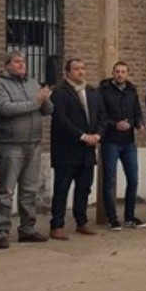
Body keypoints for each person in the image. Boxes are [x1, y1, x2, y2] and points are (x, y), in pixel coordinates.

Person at [0, 51, 53, 248]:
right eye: (17, 61)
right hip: (11, 144)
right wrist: (36, 102)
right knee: (6, 190)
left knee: (29, 190)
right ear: (7, 65)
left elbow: (48, 111)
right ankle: (2, 229)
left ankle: (27, 228)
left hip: (33, 143)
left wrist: (46, 99)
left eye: (23, 61)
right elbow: (6, 109)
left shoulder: (33, 83)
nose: (21, 64)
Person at [50, 58, 105, 237]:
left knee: (84, 188)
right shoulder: (59, 92)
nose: (81, 72)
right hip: (67, 149)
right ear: (67, 72)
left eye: (83, 68)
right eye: (76, 69)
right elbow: (61, 120)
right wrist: (82, 136)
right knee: (62, 188)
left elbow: (102, 117)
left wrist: (97, 135)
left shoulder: (92, 91)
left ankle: (81, 221)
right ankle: (57, 225)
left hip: (88, 150)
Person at [98, 61, 146, 229]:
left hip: (128, 142)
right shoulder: (103, 91)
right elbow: (100, 116)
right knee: (110, 181)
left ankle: (130, 217)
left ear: (127, 73)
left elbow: (137, 111)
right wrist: (114, 124)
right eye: (117, 71)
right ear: (113, 73)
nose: (120, 74)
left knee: (133, 179)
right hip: (110, 141)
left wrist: (138, 123)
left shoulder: (132, 91)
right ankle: (112, 218)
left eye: (123, 71)